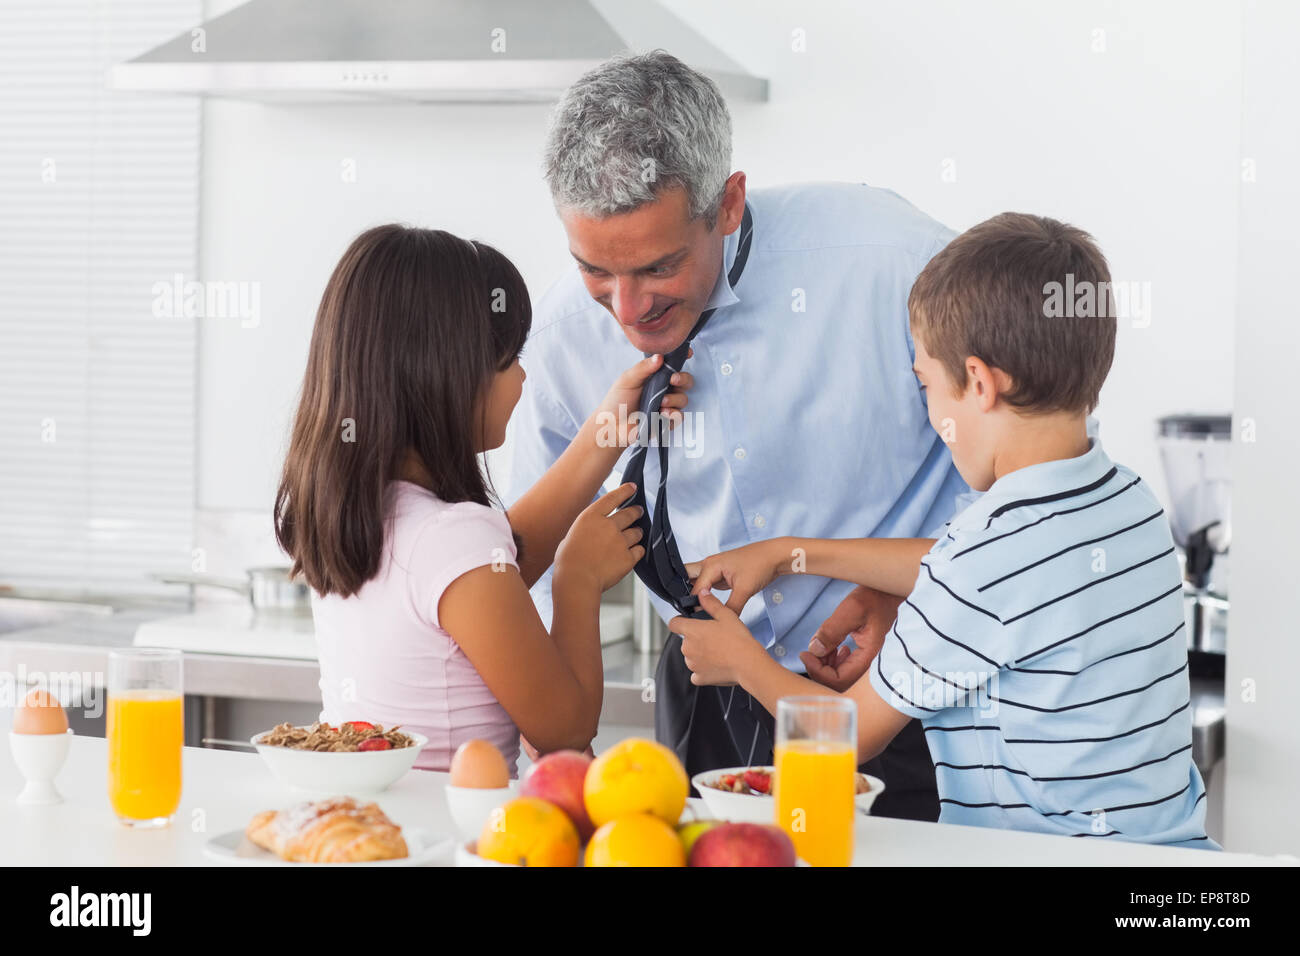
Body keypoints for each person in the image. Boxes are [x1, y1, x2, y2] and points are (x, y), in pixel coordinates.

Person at [505, 50, 970, 820]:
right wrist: (558, 743)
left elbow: (1029, 465)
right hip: (704, 691)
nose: (626, 309)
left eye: (658, 267)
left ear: (726, 204)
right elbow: (526, 563)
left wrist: (912, 597)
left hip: (905, 684)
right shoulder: (560, 338)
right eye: (594, 270)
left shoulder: (896, 263)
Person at [677, 213, 1216, 847]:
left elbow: (847, 734)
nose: (931, 410)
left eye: (926, 385)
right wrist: (789, 554)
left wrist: (741, 662)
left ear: (980, 383)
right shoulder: (1128, 500)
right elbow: (972, 565)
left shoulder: (987, 560)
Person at [273, 223, 692, 776]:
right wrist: (577, 579)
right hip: (461, 835)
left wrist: (606, 430)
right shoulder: (453, 539)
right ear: (447, 375)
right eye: (508, 358)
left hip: (375, 822)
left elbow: (491, 565)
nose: (522, 375)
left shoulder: (362, 514)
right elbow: (565, 728)